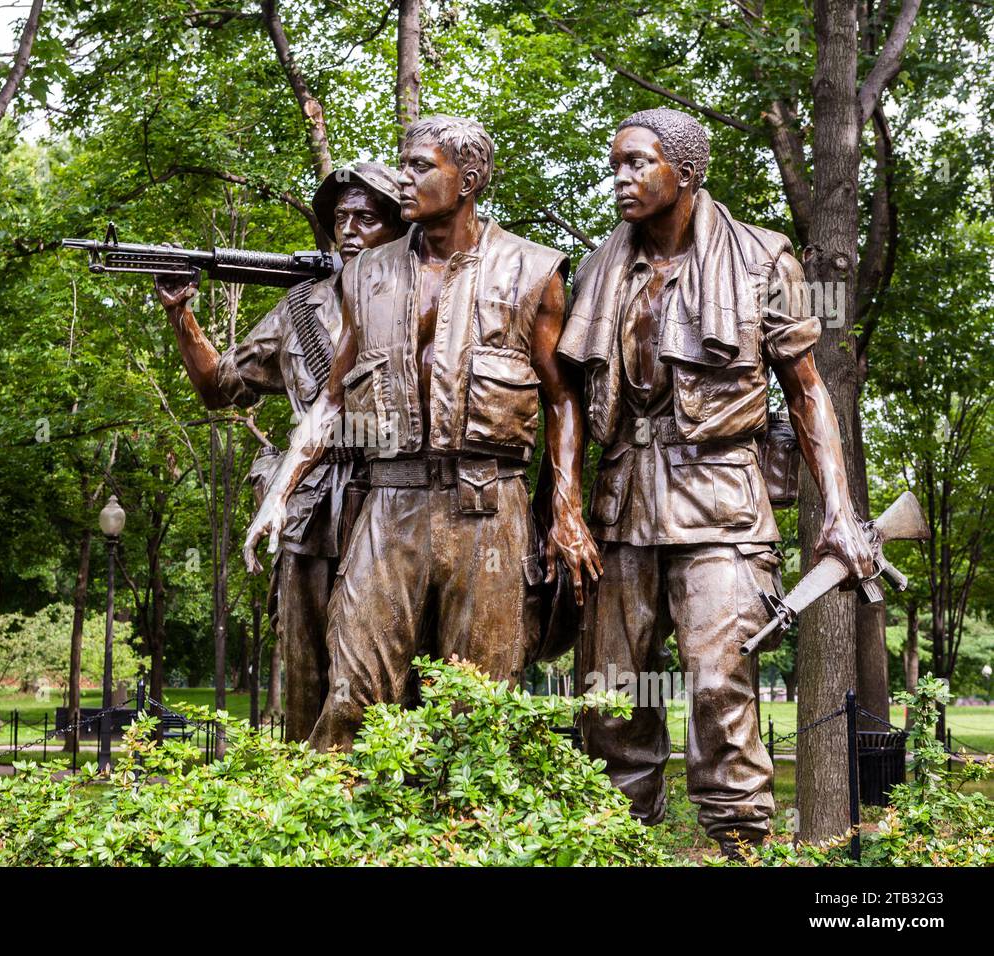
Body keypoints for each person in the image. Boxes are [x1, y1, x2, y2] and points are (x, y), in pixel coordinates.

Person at [557, 108, 874, 856]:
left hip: (722, 506)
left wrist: (840, 509)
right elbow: (566, 396)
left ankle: (738, 846)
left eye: (637, 163)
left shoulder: (765, 259)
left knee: (718, 690)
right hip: (622, 501)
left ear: (687, 173)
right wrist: (562, 509)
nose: (621, 179)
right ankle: (616, 847)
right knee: (609, 698)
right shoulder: (602, 266)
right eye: (615, 166)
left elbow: (806, 392)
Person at [243, 115, 600, 752]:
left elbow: (562, 399)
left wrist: (566, 509)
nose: (404, 180)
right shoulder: (365, 274)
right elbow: (330, 404)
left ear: (467, 181)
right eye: (403, 165)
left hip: (488, 505)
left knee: (480, 702)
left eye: (419, 168)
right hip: (388, 502)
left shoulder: (533, 270)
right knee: (354, 691)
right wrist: (278, 496)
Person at [154, 164, 405, 741]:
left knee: (388, 662)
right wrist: (180, 313)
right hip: (313, 506)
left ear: (396, 225)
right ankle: (305, 800)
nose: (349, 230)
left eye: (366, 217)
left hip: (395, 495)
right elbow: (219, 387)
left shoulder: (423, 296)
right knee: (306, 668)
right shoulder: (299, 309)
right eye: (339, 218)